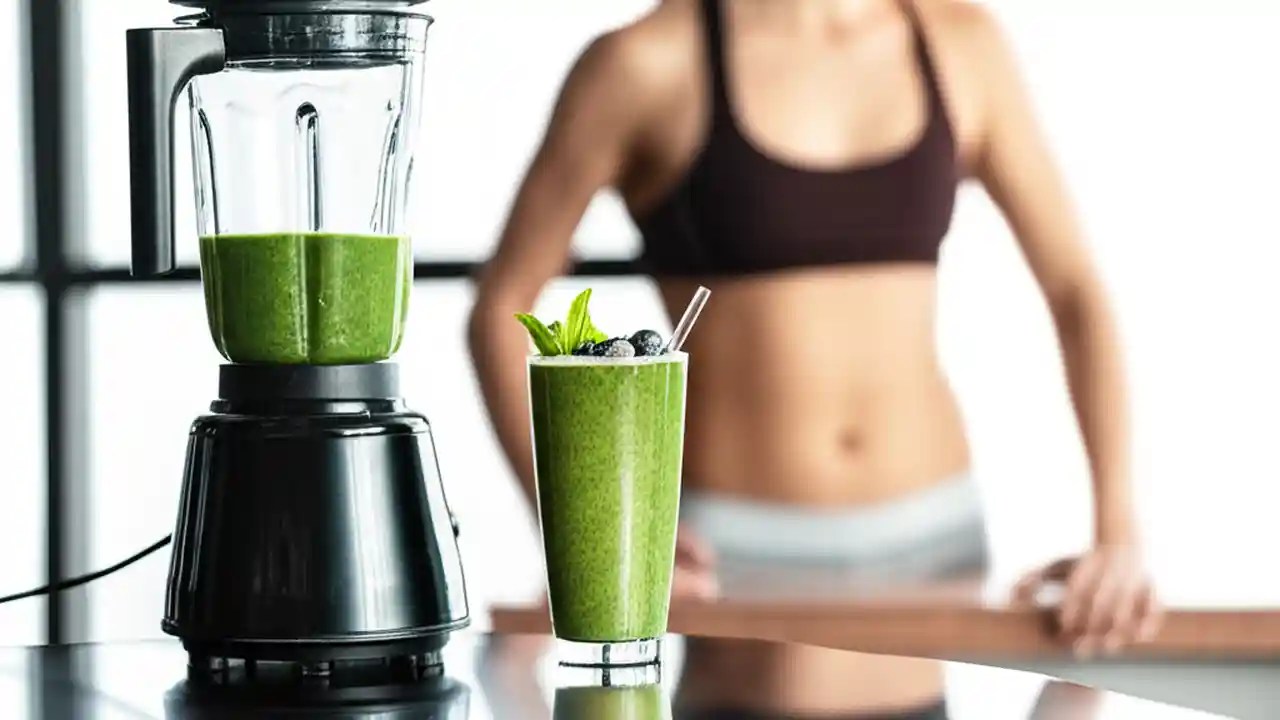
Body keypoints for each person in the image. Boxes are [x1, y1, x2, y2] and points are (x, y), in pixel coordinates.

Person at [468, 0, 1161, 716]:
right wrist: (593, 542)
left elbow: (1077, 292)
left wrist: (1117, 534)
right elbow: (501, 309)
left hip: (931, 531)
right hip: (733, 545)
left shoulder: (961, 45)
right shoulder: (645, 62)